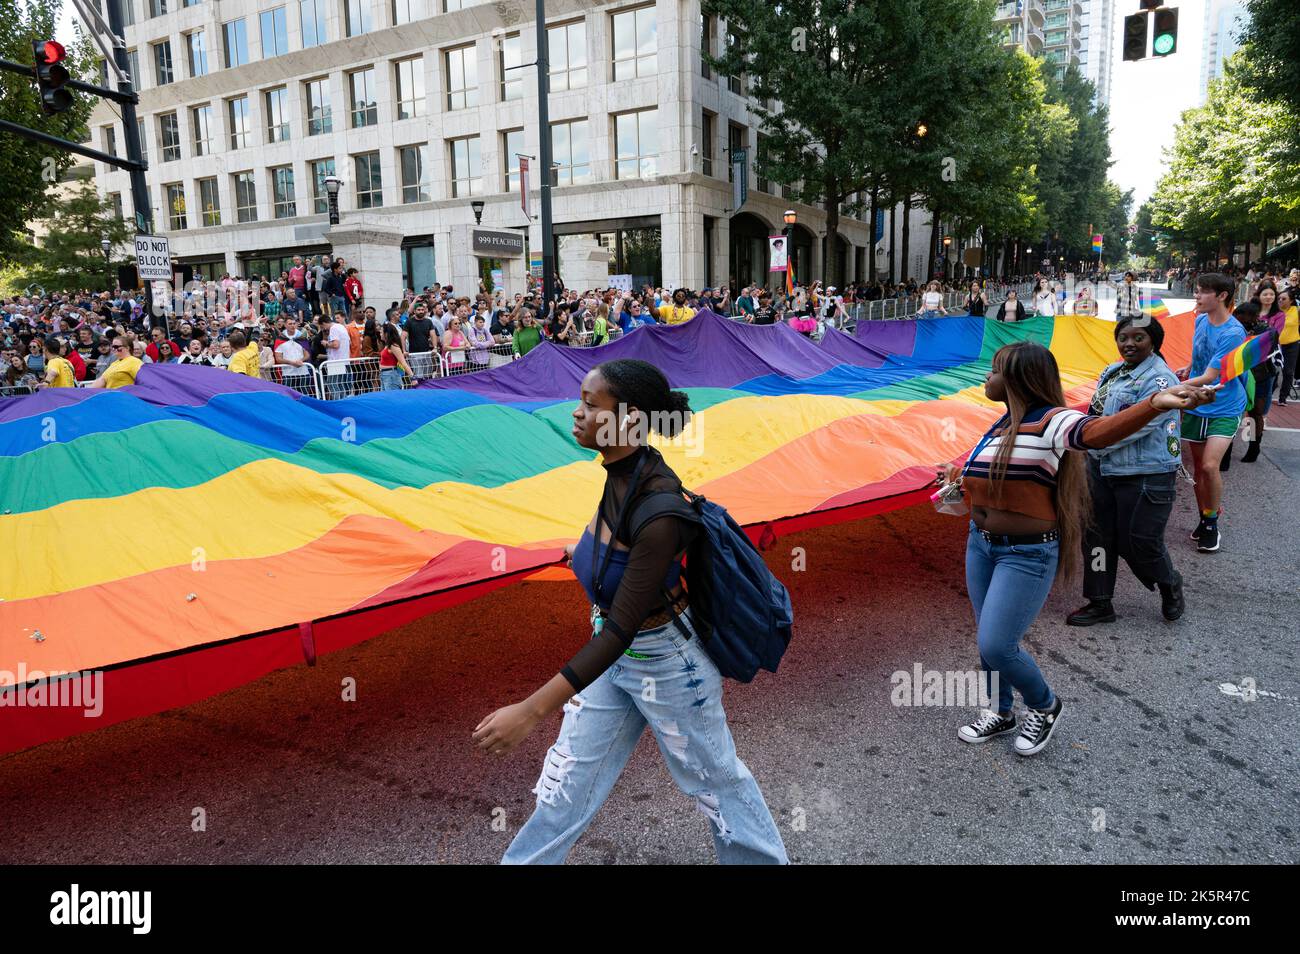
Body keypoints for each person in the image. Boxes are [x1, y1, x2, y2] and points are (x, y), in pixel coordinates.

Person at [477, 359, 788, 864]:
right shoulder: (621, 470)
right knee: (566, 786)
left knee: (717, 787)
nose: (575, 413)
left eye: (590, 405)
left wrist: (532, 710)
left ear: (630, 419)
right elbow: (614, 576)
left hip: (666, 665)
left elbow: (621, 627)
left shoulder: (659, 508)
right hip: (613, 659)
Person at [943, 341, 1212, 755]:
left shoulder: (1052, 421)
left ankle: (1045, 704)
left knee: (998, 644)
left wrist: (1156, 403)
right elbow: (974, 499)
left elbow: (1096, 434)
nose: (986, 377)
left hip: (1025, 555)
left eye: (994, 370)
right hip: (981, 546)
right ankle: (1000, 711)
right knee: (986, 640)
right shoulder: (996, 429)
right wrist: (958, 482)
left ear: (1016, 378)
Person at [1067, 316, 1186, 627]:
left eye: (1138, 338)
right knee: (1096, 537)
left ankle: (1169, 582)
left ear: (1153, 342)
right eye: (1123, 337)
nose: (1129, 344)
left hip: (1145, 472)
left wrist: (1095, 442)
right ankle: (1099, 602)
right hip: (1101, 467)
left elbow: (1142, 424)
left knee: (1140, 541)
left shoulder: (1161, 380)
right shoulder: (1112, 371)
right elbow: (1096, 413)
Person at [1177, 273, 1247, 553]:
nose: (1197, 296)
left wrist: (1170, 384)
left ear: (1222, 296)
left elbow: (1210, 375)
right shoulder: (1200, 320)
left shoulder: (1233, 332)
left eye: (1203, 292)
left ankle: (1211, 523)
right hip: (1197, 404)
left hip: (1225, 406)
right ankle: (1205, 517)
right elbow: (1199, 361)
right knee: (1198, 470)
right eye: (1196, 290)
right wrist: (1185, 369)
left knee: (1209, 466)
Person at [1232, 302, 1278, 464]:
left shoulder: (1266, 331)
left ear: (1252, 317)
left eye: (1242, 319)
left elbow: (1270, 344)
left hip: (1260, 376)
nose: (1238, 322)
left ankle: (1254, 447)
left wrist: (1252, 336)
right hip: (1238, 375)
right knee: (1232, 412)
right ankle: (1225, 452)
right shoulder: (1232, 328)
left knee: (1254, 413)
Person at [1278, 286, 1299, 406]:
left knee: (1288, 372)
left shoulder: (1297, 310)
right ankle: (1268, 394)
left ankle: (1283, 397)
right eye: (1279, 298)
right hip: (1276, 346)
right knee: (1273, 372)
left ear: (1291, 300)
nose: (1280, 300)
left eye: (1283, 299)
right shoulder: (1275, 311)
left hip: (1292, 345)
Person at [378, 324, 414, 390]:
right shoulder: (387, 345)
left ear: (386, 334)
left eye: (381, 332)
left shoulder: (393, 346)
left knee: (391, 398)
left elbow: (403, 362)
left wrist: (412, 377)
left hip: (391, 375)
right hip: (385, 374)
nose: (380, 334)